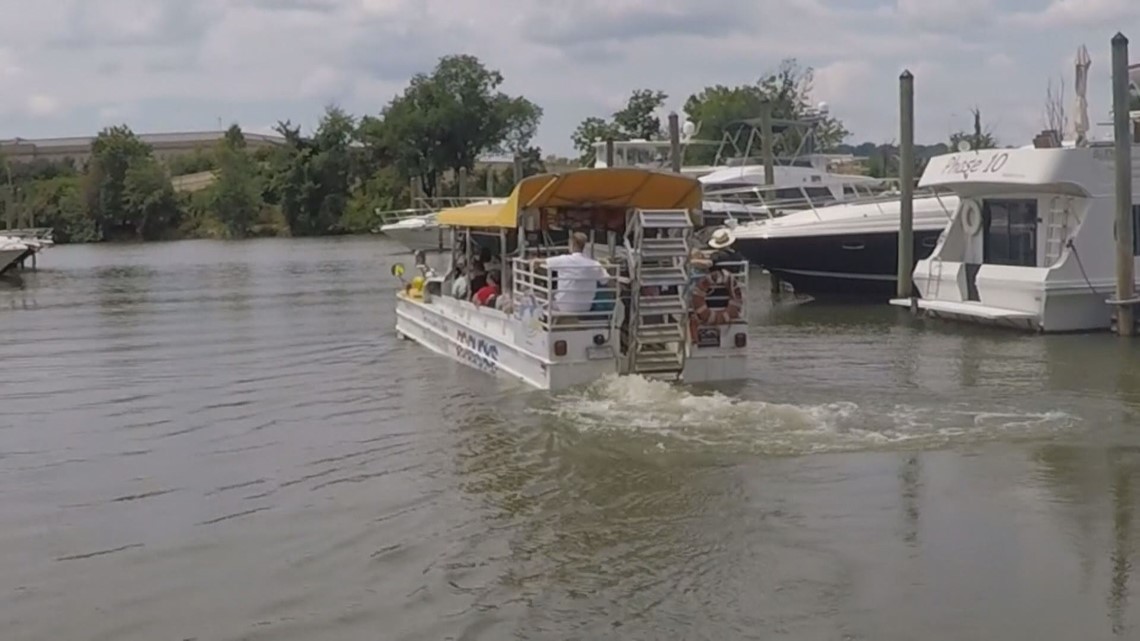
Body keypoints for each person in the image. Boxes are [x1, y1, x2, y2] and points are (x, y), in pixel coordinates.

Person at [544, 231, 609, 314]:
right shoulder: (594, 264)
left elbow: (544, 262)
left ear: (572, 245)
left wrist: (535, 261)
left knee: (544, 302)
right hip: (585, 307)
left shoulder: (564, 260)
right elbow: (605, 280)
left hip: (564, 306)